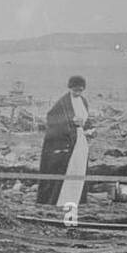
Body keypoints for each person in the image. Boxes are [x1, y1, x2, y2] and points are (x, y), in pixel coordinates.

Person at [36, 74, 94, 205]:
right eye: (75, 90)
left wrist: (88, 128)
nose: (77, 92)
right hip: (67, 143)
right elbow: (52, 119)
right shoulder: (62, 103)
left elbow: (87, 120)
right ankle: (61, 200)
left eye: (80, 90)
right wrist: (71, 123)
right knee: (67, 170)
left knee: (79, 170)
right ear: (70, 88)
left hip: (80, 142)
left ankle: (76, 199)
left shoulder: (83, 101)